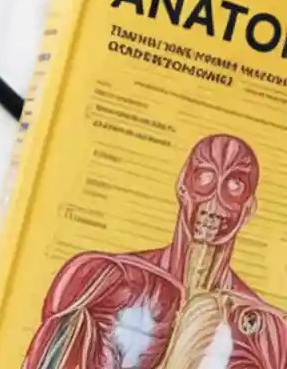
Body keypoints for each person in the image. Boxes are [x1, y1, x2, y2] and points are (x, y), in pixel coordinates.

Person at [23, 134, 286, 368]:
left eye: (234, 186)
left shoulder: (268, 334)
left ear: (248, 209)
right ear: (183, 186)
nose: (214, 201)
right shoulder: (106, 280)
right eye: (205, 178)